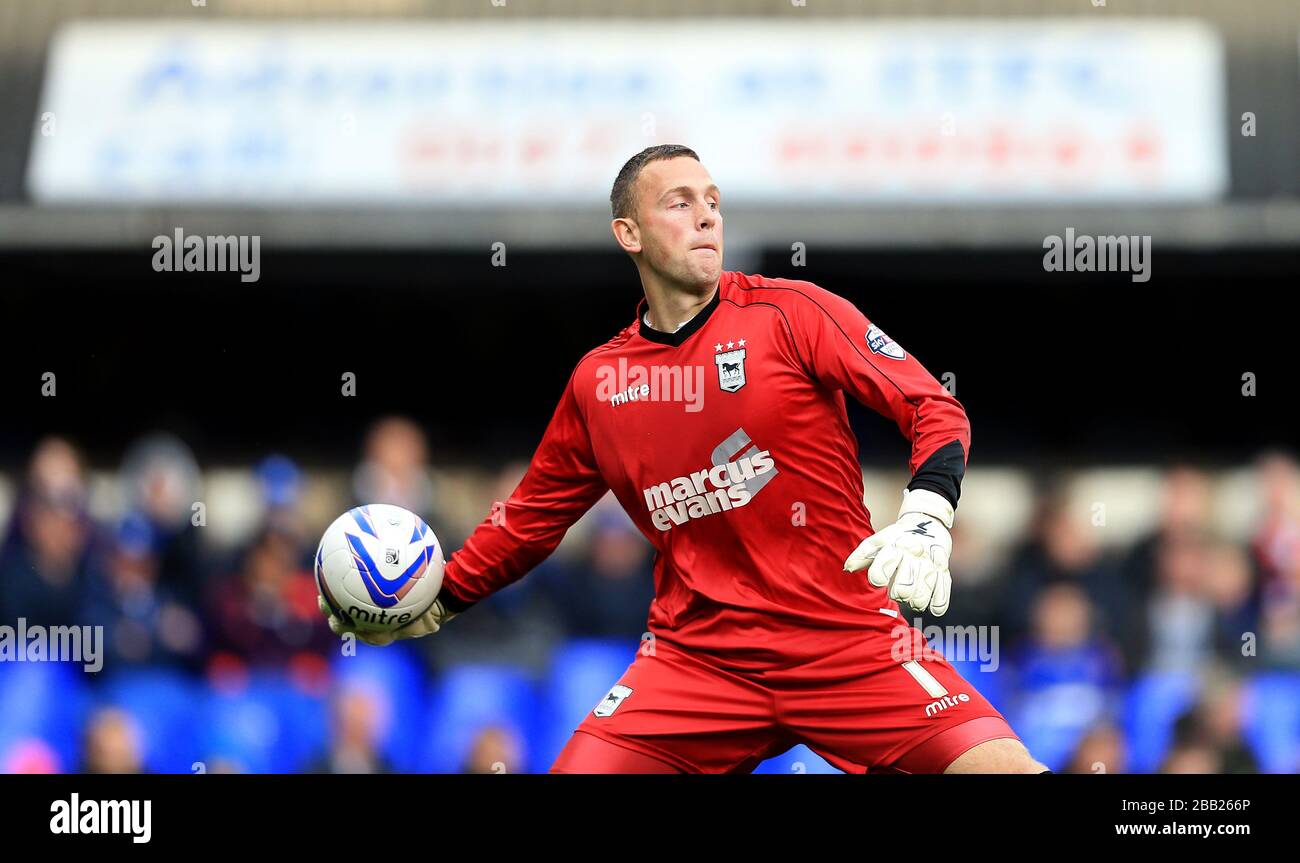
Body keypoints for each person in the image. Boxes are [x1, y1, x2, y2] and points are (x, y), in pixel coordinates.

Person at [321, 144, 1046, 774]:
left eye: (714, 202)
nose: (707, 217)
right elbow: (530, 520)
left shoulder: (792, 313)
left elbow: (932, 405)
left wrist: (927, 511)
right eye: (680, 202)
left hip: (847, 643)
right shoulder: (600, 382)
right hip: (696, 662)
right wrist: (439, 600)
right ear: (628, 232)